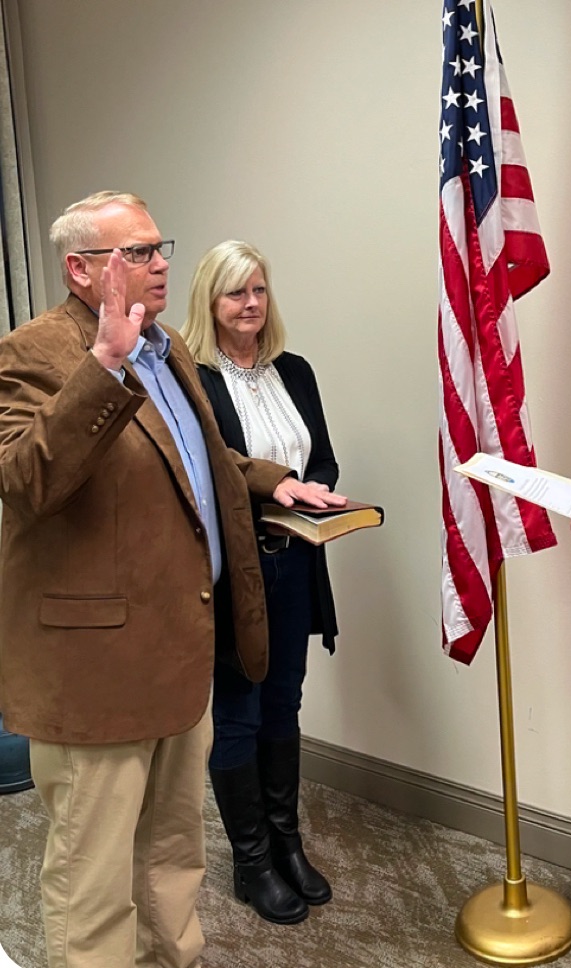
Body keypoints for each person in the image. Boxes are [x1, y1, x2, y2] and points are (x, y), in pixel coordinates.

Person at [0, 192, 313, 968]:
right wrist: (103, 364)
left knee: (172, 851)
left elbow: (194, 456)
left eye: (157, 246)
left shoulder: (166, 344)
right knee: (94, 873)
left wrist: (272, 480)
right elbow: (25, 480)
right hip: (95, 670)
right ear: (80, 270)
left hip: (179, 647)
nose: (160, 263)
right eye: (135, 252)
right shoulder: (29, 353)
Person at [181, 240, 345, 926]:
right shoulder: (193, 379)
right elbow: (204, 476)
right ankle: (251, 864)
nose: (250, 304)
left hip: (297, 563)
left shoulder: (294, 370)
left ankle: (286, 846)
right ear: (209, 301)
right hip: (238, 573)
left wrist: (312, 496)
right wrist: (273, 500)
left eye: (258, 290)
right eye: (235, 292)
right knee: (239, 712)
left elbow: (323, 461)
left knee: (284, 704)